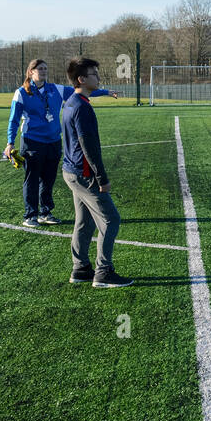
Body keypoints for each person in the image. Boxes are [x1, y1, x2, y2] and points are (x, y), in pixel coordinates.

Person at [4, 59, 117, 228]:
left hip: (54, 141)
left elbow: (81, 90)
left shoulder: (55, 89)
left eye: (45, 68)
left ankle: (45, 212)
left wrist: (105, 92)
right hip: (32, 142)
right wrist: (10, 142)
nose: (43, 71)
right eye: (39, 68)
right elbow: (13, 120)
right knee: (32, 179)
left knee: (48, 180)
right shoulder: (21, 93)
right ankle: (30, 215)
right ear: (30, 72)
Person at [60, 57, 132, 288]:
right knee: (111, 220)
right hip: (83, 174)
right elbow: (88, 147)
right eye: (94, 74)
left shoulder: (72, 102)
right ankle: (103, 272)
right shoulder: (81, 107)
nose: (98, 78)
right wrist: (102, 179)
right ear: (81, 79)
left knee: (85, 222)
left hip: (70, 171)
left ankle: (80, 269)